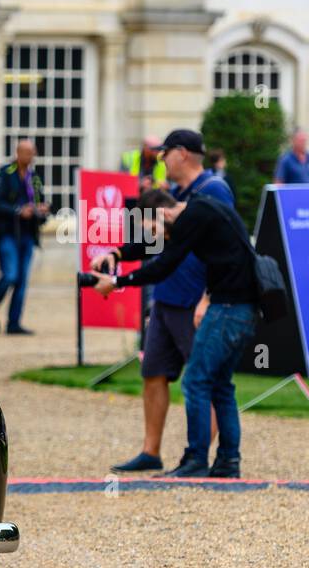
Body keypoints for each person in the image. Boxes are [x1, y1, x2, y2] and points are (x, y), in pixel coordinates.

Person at [92, 176, 261, 479]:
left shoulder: (195, 214)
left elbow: (165, 264)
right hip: (241, 305)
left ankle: (195, 459)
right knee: (221, 384)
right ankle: (228, 461)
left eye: (153, 228)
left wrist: (117, 282)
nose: (155, 236)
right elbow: (158, 251)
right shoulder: (199, 211)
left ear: (163, 214)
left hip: (227, 308)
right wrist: (118, 255)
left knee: (196, 380)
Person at [101, 130, 233, 474]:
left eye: (165, 155)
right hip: (165, 298)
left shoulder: (214, 190)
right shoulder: (172, 195)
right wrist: (117, 253)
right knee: (153, 373)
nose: (161, 161)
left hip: (194, 301)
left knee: (204, 379)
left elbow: (226, 247)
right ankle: (151, 451)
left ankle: (199, 454)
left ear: (183, 154)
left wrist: (208, 298)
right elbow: (149, 243)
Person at [0, 139, 49, 335]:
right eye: (26, 152)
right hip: (7, 234)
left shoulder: (34, 178)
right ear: (18, 153)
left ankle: (14, 323)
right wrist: (19, 210)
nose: (30, 156)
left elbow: (41, 201)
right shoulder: (4, 173)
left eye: (32, 152)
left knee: (22, 280)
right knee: (10, 275)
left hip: (28, 234)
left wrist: (42, 209)